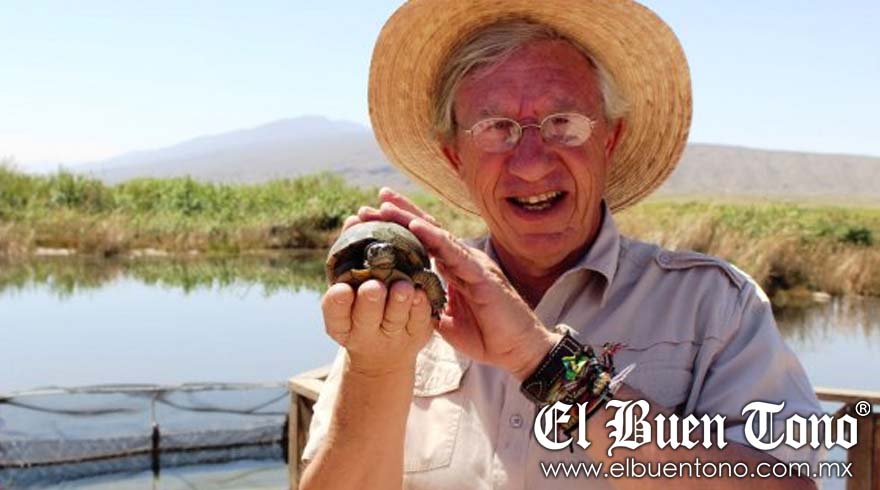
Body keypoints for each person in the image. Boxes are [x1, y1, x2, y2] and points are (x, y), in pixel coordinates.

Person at [300, 1, 824, 488]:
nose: (532, 163)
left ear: (609, 139)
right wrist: (378, 368)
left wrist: (543, 361)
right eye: (496, 128)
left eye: (563, 123)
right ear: (455, 156)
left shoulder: (714, 307)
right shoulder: (405, 304)